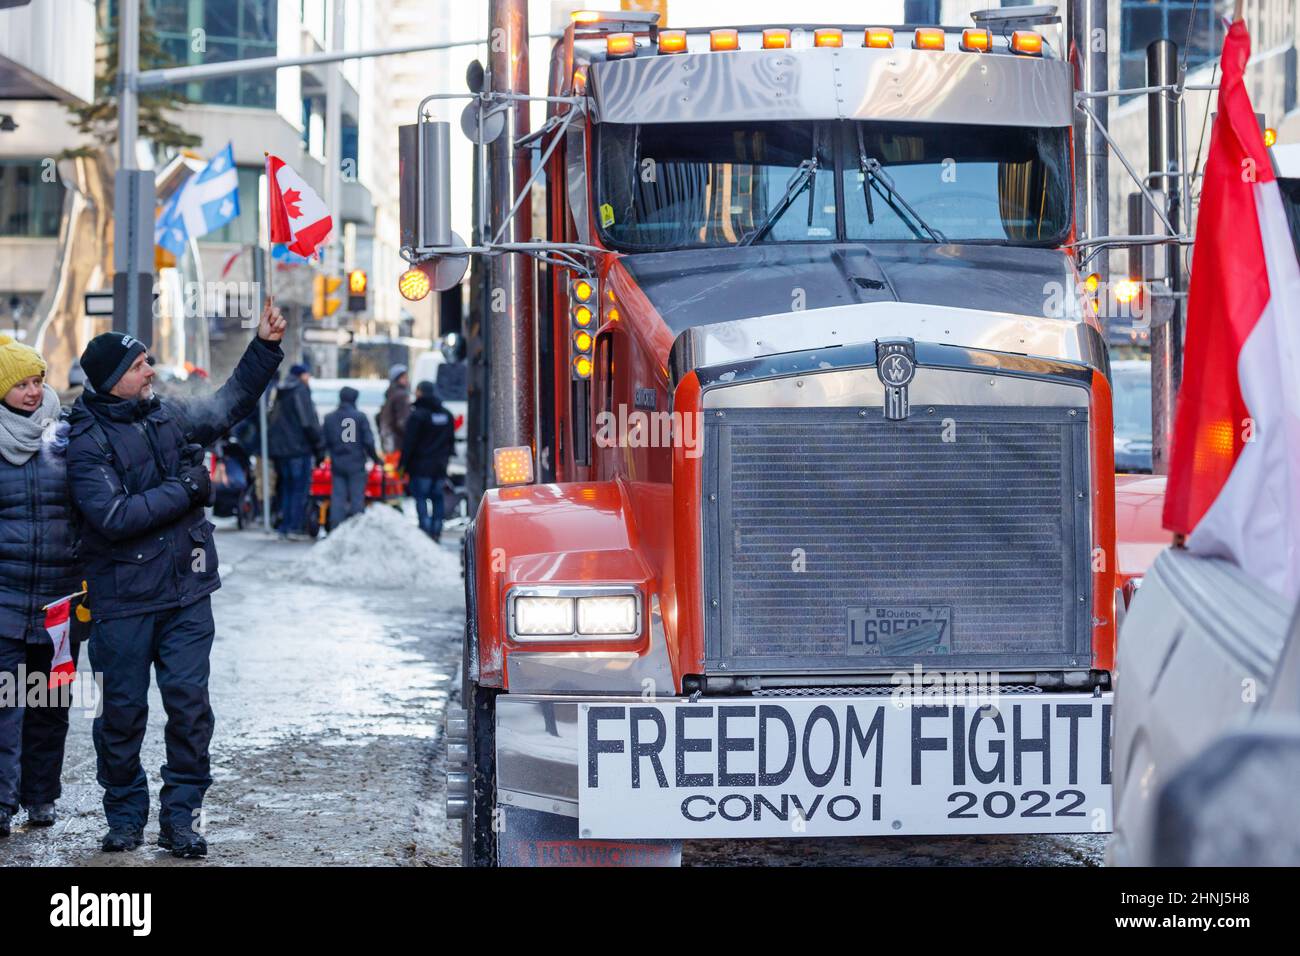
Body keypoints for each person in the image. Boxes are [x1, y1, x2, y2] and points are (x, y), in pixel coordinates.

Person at [66, 300, 286, 858]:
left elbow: (230, 403)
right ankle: (124, 817)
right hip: (120, 604)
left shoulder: (168, 416)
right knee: (122, 715)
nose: (151, 372)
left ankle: (181, 817)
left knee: (190, 710)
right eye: (141, 366)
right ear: (114, 380)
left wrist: (263, 347)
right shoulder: (85, 442)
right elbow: (113, 518)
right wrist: (188, 489)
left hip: (187, 594)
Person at [0, 335, 88, 837]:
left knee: (50, 706)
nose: (33, 392)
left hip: (60, 603)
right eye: (21, 385)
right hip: (5, 599)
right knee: (5, 706)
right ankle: (1, 801)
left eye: (37, 381)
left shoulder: (64, 436)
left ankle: (41, 799)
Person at [267, 363, 322, 539]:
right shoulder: (300, 391)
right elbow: (308, 422)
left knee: (286, 488)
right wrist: (319, 444)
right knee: (299, 489)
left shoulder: (280, 390)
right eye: (307, 375)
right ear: (301, 375)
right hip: (299, 449)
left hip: (281, 451)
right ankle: (293, 527)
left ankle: (283, 527)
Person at [399, 380, 455, 542]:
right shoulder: (446, 415)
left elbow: (409, 443)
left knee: (421, 497)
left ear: (420, 392)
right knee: (437, 497)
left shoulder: (417, 415)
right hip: (439, 466)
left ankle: (425, 529)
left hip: (420, 466)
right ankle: (437, 529)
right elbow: (450, 441)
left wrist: (402, 465)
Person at [322, 385, 382, 530]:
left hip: (338, 462)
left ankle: (336, 528)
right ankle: (356, 528)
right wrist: (375, 459)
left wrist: (321, 457)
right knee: (357, 498)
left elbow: (323, 442)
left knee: (338, 497)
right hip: (356, 463)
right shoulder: (360, 417)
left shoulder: (329, 418)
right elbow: (368, 441)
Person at [377, 364, 411, 454]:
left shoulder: (390, 394)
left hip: (388, 440)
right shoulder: (401, 395)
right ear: (397, 379)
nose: (407, 380)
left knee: (390, 466)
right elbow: (403, 422)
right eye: (404, 377)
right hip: (397, 442)